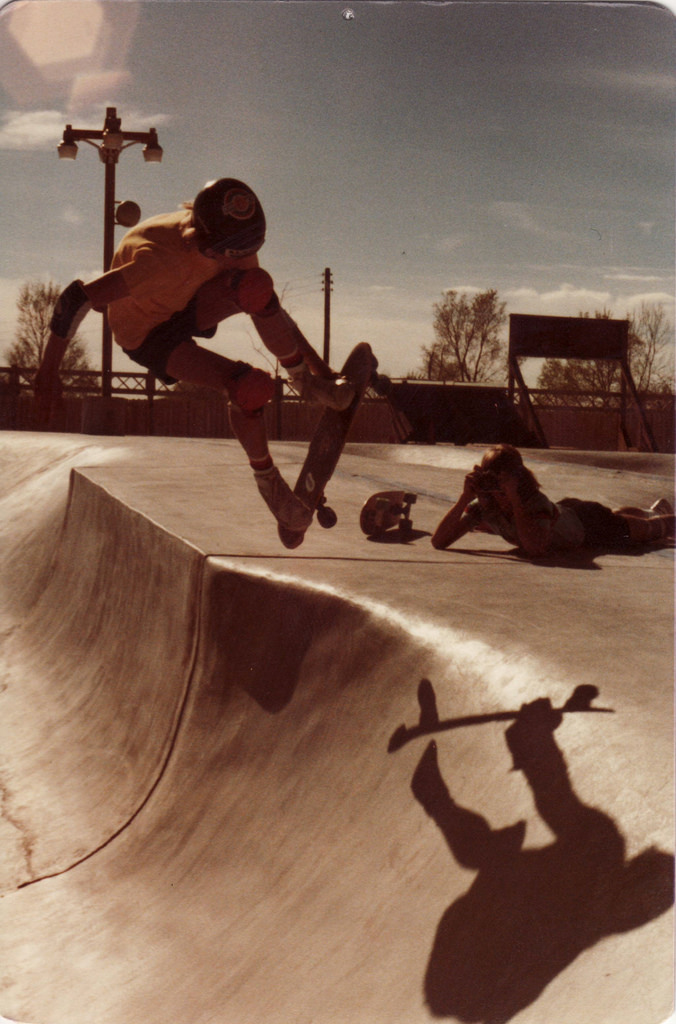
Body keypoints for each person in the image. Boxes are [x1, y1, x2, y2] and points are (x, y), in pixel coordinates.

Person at [33, 178, 355, 532]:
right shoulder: (156, 261)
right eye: (235, 253)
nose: (244, 257)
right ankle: (268, 483)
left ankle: (304, 382)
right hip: (148, 336)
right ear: (206, 244)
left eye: (250, 248)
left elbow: (270, 308)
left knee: (256, 284)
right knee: (249, 388)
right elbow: (73, 300)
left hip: (188, 302)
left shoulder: (232, 240)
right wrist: (48, 372)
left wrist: (318, 372)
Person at [431, 443, 674, 556]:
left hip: (591, 525)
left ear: (517, 480)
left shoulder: (533, 503)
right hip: (571, 512)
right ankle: (649, 510)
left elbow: (534, 548)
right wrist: (465, 498)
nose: (498, 492)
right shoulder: (487, 506)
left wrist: (515, 500)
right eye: (492, 482)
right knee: (616, 514)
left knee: (653, 530)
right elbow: (439, 542)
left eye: (503, 482)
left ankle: (660, 516)